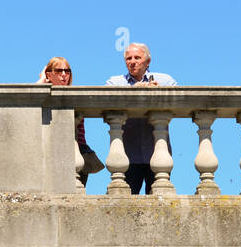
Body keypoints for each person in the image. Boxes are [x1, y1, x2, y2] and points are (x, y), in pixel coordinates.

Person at [105, 42, 177, 194]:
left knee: (159, 205)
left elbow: (179, 103)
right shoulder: (116, 82)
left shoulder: (165, 81)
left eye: (137, 57)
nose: (132, 61)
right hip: (127, 157)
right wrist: (132, 92)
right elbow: (105, 100)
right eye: (128, 58)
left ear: (148, 61)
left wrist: (161, 93)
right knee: (126, 207)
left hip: (158, 154)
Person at [40, 56, 102, 187]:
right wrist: (41, 80)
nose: (63, 75)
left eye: (67, 71)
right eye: (58, 71)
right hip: (51, 152)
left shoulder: (75, 95)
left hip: (77, 152)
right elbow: (29, 101)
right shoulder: (44, 97)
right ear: (49, 74)